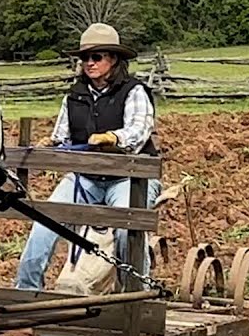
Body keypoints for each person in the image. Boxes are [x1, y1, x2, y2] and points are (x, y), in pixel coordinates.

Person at [14, 23, 162, 292]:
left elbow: (139, 132)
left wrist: (114, 138)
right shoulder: (74, 96)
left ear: (114, 59)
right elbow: (63, 135)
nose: (89, 63)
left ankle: (137, 297)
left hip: (128, 179)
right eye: (84, 58)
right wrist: (51, 144)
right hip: (85, 177)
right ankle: (25, 294)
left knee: (126, 232)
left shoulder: (134, 91)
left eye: (97, 57)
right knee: (44, 224)